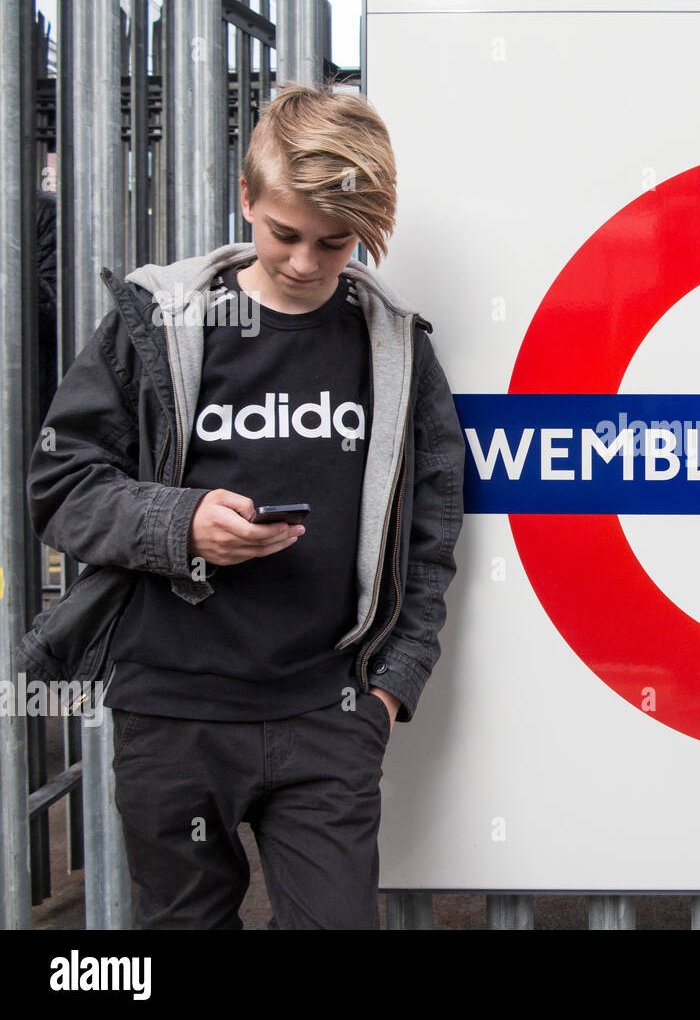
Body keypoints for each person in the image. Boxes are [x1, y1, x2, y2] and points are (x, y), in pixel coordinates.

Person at [19, 82, 464, 929]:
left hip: (328, 713)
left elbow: (434, 524)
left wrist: (390, 688)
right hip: (172, 714)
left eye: (335, 244)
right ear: (245, 199)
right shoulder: (161, 323)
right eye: (284, 234)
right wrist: (179, 523)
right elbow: (62, 483)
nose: (304, 263)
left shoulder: (395, 347)